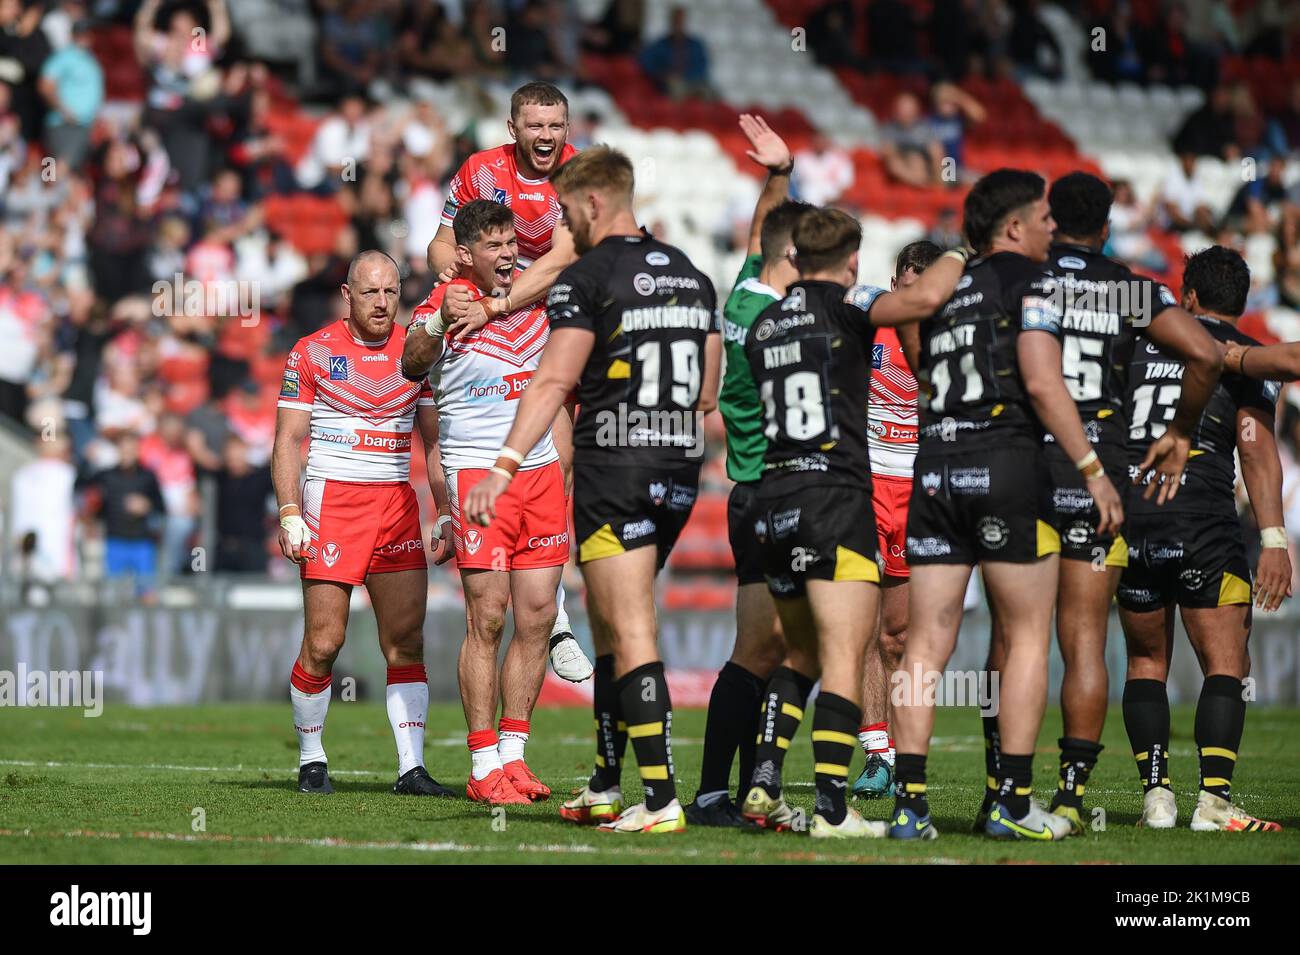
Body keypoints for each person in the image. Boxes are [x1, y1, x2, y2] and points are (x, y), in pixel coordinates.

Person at [463, 146, 721, 833]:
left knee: (629, 627)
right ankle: (607, 782)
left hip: (618, 468)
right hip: (678, 468)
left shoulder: (587, 276)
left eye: (570, 215)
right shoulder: (692, 276)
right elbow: (707, 391)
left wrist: (503, 465)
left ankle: (661, 797)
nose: (564, 230)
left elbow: (551, 380)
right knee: (612, 624)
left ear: (595, 203)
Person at [889, 169, 1147, 842]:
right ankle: (1013, 799)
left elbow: (919, 362)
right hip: (1007, 466)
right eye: (1041, 218)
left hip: (938, 468)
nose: (1050, 228)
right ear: (1012, 227)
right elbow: (1040, 378)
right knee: (1028, 636)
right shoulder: (1031, 282)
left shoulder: (943, 287)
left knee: (924, 646)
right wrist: (1092, 468)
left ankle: (910, 804)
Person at [980, 172, 1222, 835]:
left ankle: (1002, 788)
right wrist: (1179, 433)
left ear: (1049, 220)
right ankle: (1067, 793)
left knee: (1010, 636)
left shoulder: (1020, 273)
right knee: (1084, 640)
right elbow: (1204, 352)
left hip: (1023, 465)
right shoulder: (1131, 286)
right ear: (1109, 228)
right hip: (1101, 479)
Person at [738, 214, 967, 839]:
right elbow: (923, 298)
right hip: (837, 498)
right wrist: (967, 249)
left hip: (775, 499)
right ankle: (835, 809)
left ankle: (763, 777)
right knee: (845, 653)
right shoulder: (849, 310)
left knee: (802, 652)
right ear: (851, 263)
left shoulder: (764, 325)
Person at [402, 200, 573, 806]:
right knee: (489, 617)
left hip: (542, 472)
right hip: (479, 474)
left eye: (511, 245)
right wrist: (434, 324)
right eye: (494, 247)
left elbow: (570, 255)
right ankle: (480, 762)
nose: (507, 256)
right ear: (466, 254)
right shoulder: (440, 305)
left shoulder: (534, 298)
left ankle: (514, 756)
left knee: (537, 617)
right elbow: (409, 363)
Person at [426, 80, 591, 682]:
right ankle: (452, 520)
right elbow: (444, 236)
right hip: (489, 314)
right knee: (456, 421)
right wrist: (445, 266)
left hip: (558, 314)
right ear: (512, 127)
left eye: (555, 125)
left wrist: (495, 304)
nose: (545, 136)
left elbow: (563, 258)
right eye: (534, 125)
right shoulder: (480, 169)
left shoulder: (581, 175)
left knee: (560, 454)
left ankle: (558, 608)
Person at [1119, 246, 1288, 833]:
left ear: (1187, 296)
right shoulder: (1240, 359)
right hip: (1202, 521)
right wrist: (1273, 539)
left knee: (1144, 661)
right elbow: (1257, 452)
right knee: (1226, 661)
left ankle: (1156, 798)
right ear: (1239, 304)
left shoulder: (1137, 344)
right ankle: (1213, 803)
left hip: (1135, 514)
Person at [273, 249, 452, 799]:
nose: (382, 302)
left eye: (392, 292)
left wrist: (444, 508)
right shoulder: (313, 351)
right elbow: (286, 442)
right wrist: (289, 510)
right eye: (370, 292)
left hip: (396, 505)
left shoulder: (418, 353)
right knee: (324, 642)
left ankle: (411, 769)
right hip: (333, 502)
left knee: (406, 641)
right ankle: (311, 758)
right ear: (347, 295)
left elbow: (434, 442)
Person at [685, 114, 802, 828]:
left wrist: (778, 174)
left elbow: (763, 237)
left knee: (765, 647)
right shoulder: (782, 321)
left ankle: (726, 791)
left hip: (754, 493)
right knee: (793, 647)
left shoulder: (745, 295)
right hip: (779, 492)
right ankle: (758, 784)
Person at [852, 239, 941, 801]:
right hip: (862, 485)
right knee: (862, 629)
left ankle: (906, 755)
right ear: (894, 283)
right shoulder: (867, 321)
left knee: (898, 635)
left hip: (915, 494)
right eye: (904, 290)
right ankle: (876, 751)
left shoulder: (945, 342)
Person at [82, 432, 166, 596]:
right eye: (124, 449)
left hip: (141, 542)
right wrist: (86, 461)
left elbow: (161, 508)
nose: (128, 453)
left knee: (147, 591)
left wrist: (147, 506)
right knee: (112, 592)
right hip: (114, 541)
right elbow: (81, 486)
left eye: (132, 449)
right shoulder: (106, 476)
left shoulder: (147, 477)